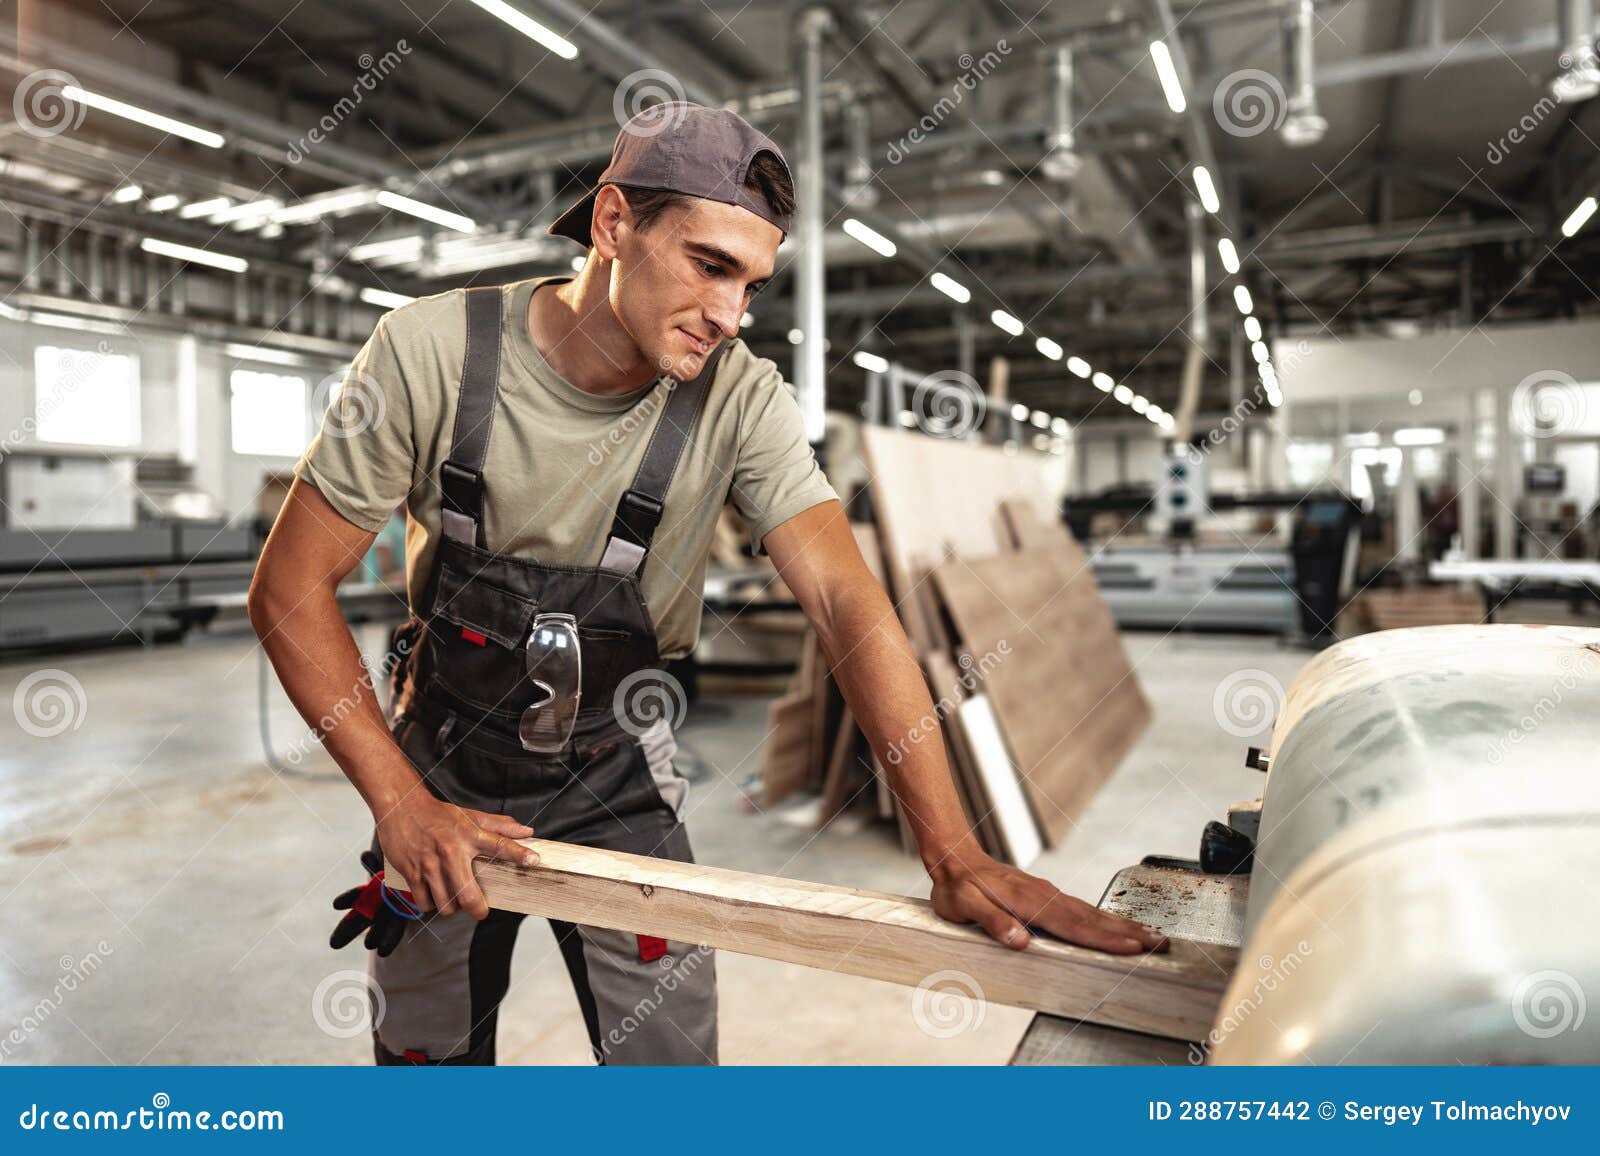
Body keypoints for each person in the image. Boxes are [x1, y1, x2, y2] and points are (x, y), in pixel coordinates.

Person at [248, 101, 1167, 1067]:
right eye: (709, 265)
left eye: (754, 283)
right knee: (423, 1063)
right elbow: (290, 588)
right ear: (613, 225)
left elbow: (850, 604)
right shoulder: (429, 354)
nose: (731, 316)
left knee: (673, 1073)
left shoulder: (739, 399)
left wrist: (954, 850)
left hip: (618, 778)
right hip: (439, 761)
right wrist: (399, 801)